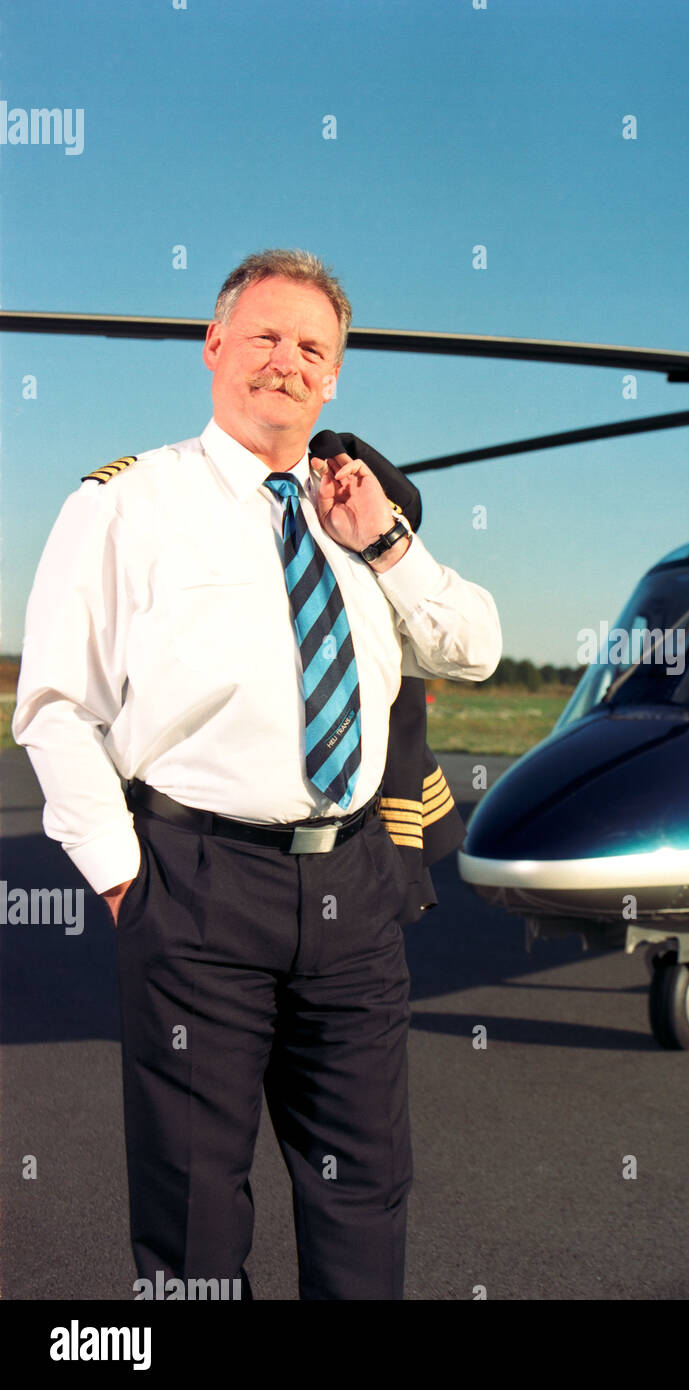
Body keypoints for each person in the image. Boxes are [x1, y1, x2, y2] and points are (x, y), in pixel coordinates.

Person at [12, 248, 502, 1299]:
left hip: (356, 888)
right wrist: (123, 879)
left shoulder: (360, 515)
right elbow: (54, 710)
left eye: (312, 348)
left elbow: (474, 649)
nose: (286, 361)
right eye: (267, 336)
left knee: (365, 1190)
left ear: (334, 377)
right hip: (194, 884)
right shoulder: (125, 505)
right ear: (214, 345)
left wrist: (388, 544)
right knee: (192, 1209)